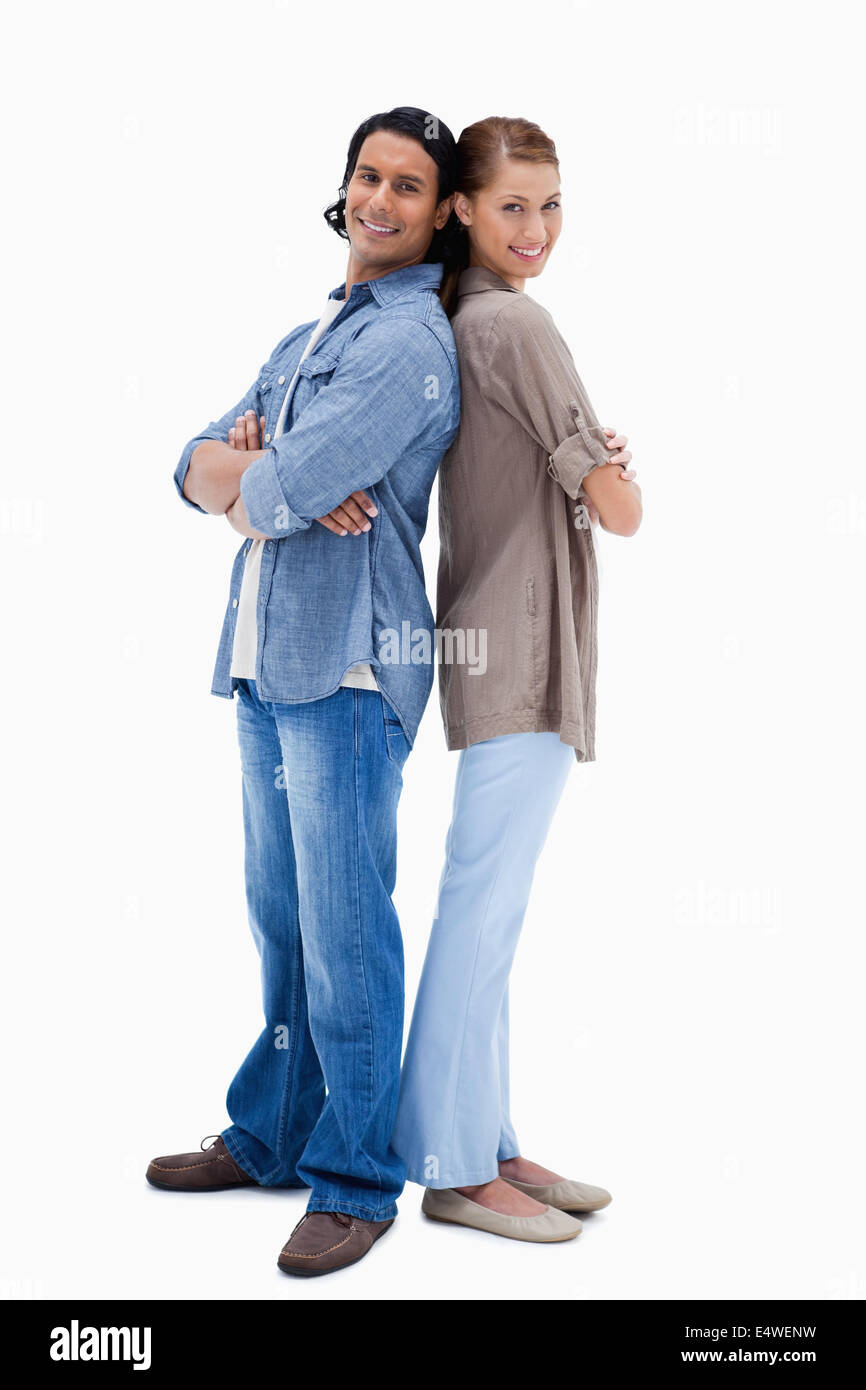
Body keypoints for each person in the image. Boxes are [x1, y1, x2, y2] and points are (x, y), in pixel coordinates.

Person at [147, 107, 461, 1277]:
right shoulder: (307, 332)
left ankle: (354, 1178)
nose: (382, 199)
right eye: (369, 175)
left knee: (344, 935)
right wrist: (246, 474)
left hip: (346, 669)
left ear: (439, 212)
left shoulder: (407, 343)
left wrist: (258, 477)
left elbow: (279, 493)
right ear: (345, 188)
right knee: (280, 921)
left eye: (410, 185)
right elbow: (189, 465)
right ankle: (274, 1130)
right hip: (266, 657)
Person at [391, 115, 643, 1243]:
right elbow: (622, 511)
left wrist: (583, 460)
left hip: (488, 636)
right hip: (522, 647)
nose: (534, 228)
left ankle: (486, 1137)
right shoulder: (517, 325)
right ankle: (448, 1163)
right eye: (510, 205)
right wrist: (604, 462)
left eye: (550, 205)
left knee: (487, 908)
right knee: (478, 912)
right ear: (461, 210)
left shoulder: (459, 317)